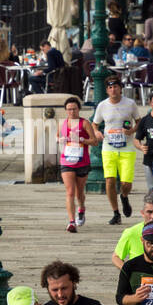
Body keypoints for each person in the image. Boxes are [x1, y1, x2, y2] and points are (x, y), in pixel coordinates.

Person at [92, 76, 141, 225]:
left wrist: (132, 130)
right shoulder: (102, 105)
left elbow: (139, 121)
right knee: (110, 180)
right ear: (107, 90)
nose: (113, 90)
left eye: (116, 87)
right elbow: (95, 124)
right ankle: (115, 212)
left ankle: (124, 197)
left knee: (126, 183)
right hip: (109, 147)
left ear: (120, 88)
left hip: (126, 148)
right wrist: (96, 132)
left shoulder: (130, 104)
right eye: (110, 87)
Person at [57, 97, 98, 231]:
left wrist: (82, 140)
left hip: (82, 161)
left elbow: (94, 141)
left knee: (79, 193)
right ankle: (71, 222)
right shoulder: (62, 123)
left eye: (74, 109)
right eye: (69, 109)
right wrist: (60, 139)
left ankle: (81, 208)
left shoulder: (84, 123)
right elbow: (57, 137)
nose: (72, 112)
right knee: (70, 191)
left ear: (79, 109)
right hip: (67, 160)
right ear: (66, 110)